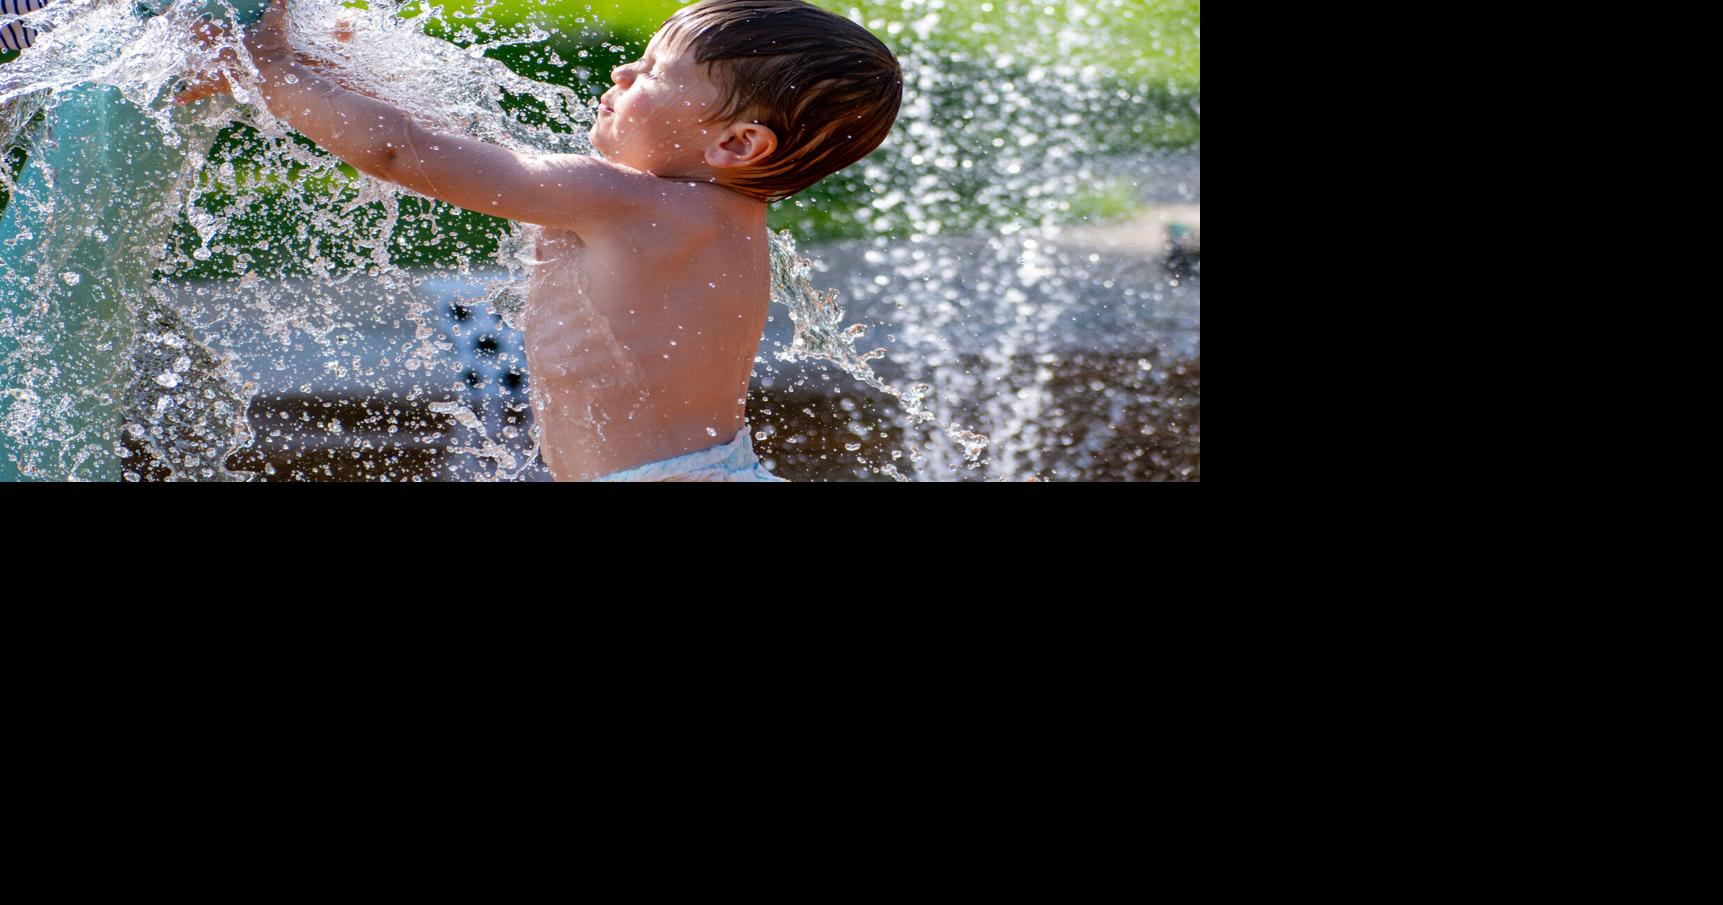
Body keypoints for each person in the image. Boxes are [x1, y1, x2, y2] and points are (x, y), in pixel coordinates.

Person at [175, 0, 904, 481]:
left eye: (653, 72)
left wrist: (262, 68)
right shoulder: (704, 217)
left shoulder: (624, 201)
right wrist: (332, 73)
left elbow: (403, 154)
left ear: (736, 143)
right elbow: (457, 146)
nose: (622, 71)